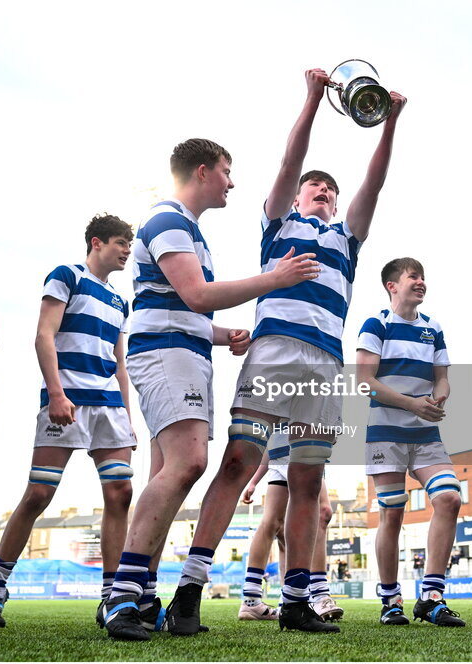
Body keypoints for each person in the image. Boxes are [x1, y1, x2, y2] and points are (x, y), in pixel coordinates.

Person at [160, 69, 408, 637]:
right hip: (275, 353)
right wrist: (313, 99)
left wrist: (390, 120)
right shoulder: (279, 224)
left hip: (324, 363)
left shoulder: (348, 238)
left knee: (308, 482)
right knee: (241, 461)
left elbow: (376, 182)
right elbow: (289, 161)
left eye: (331, 191)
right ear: (296, 197)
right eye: (315, 188)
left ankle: (296, 600)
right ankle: (190, 589)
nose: (324, 192)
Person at [102, 138, 319, 642]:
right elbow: (197, 295)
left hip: (184, 351)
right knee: (189, 464)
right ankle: (121, 596)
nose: (232, 181)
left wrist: (224, 335)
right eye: (226, 170)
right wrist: (275, 277)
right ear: (202, 172)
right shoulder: (168, 220)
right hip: (166, 355)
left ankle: (140, 593)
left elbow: (183, 306)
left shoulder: (187, 230)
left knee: (168, 471)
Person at [0, 215, 137, 630]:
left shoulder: (122, 301)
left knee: (121, 492)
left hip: (108, 407)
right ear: (97, 242)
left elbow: (119, 364)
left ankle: (113, 598)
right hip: (66, 399)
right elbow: (43, 335)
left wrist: (127, 415)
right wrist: (55, 392)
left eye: (130, 244)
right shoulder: (67, 275)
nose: (127, 250)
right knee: (38, 495)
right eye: (121, 242)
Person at [358, 257, 464, 628]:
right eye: (413, 276)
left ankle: (432, 597)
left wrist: (439, 397)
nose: (421, 282)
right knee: (393, 514)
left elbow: (444, 378)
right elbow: (364, 380)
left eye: (423, 277)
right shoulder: (376, 324)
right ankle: (390, 600)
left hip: (425, 434)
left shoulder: (432, 328)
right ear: (392, 285)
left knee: (449, 498)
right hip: (386, 432)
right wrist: (410, 404)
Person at [237, 432, 341, 622]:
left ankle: (255, 599)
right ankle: (319, 595)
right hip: (300, 445)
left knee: (275, 524)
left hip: (282, 447)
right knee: (321, 513)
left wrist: (253, 481)